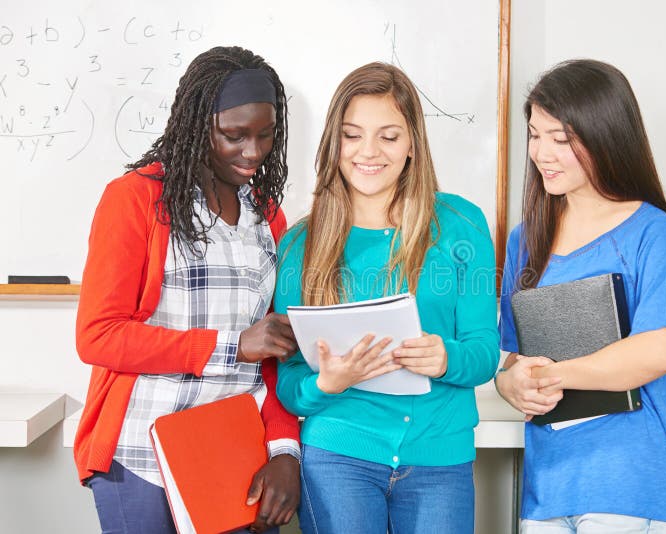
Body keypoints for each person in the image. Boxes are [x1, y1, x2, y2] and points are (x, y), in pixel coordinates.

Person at [74, 46, 301, 534]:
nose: (254, 152)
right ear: (197, 125)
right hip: (142, 454)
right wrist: (232, 346)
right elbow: (99, 335)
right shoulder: (136, 199)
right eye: (234, 135)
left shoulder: (269, 216)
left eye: (266, 135)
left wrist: (284, 450)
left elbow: (279, 350)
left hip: (236, 454)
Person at [273, 62, 499, 534]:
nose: (368, 153)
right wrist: (325, 384)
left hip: (440, 459)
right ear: (334, 141)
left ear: (413, 143)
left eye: (389, 137)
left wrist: (444, 357)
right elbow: (289, 382)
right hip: (338, 456)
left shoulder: (463, 225)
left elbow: (483, 354)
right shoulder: (298, 246)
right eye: (352, 135)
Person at [495, 59, 666, 533]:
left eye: (561, 139)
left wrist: (555, 375)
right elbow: (511, 355)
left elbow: (662, 347)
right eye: (535, 135)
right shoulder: (526, 239)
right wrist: (510, 384)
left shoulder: (653, 232)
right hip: (549, 488)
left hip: (634, 484)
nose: (542, 153)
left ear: (606, 134)